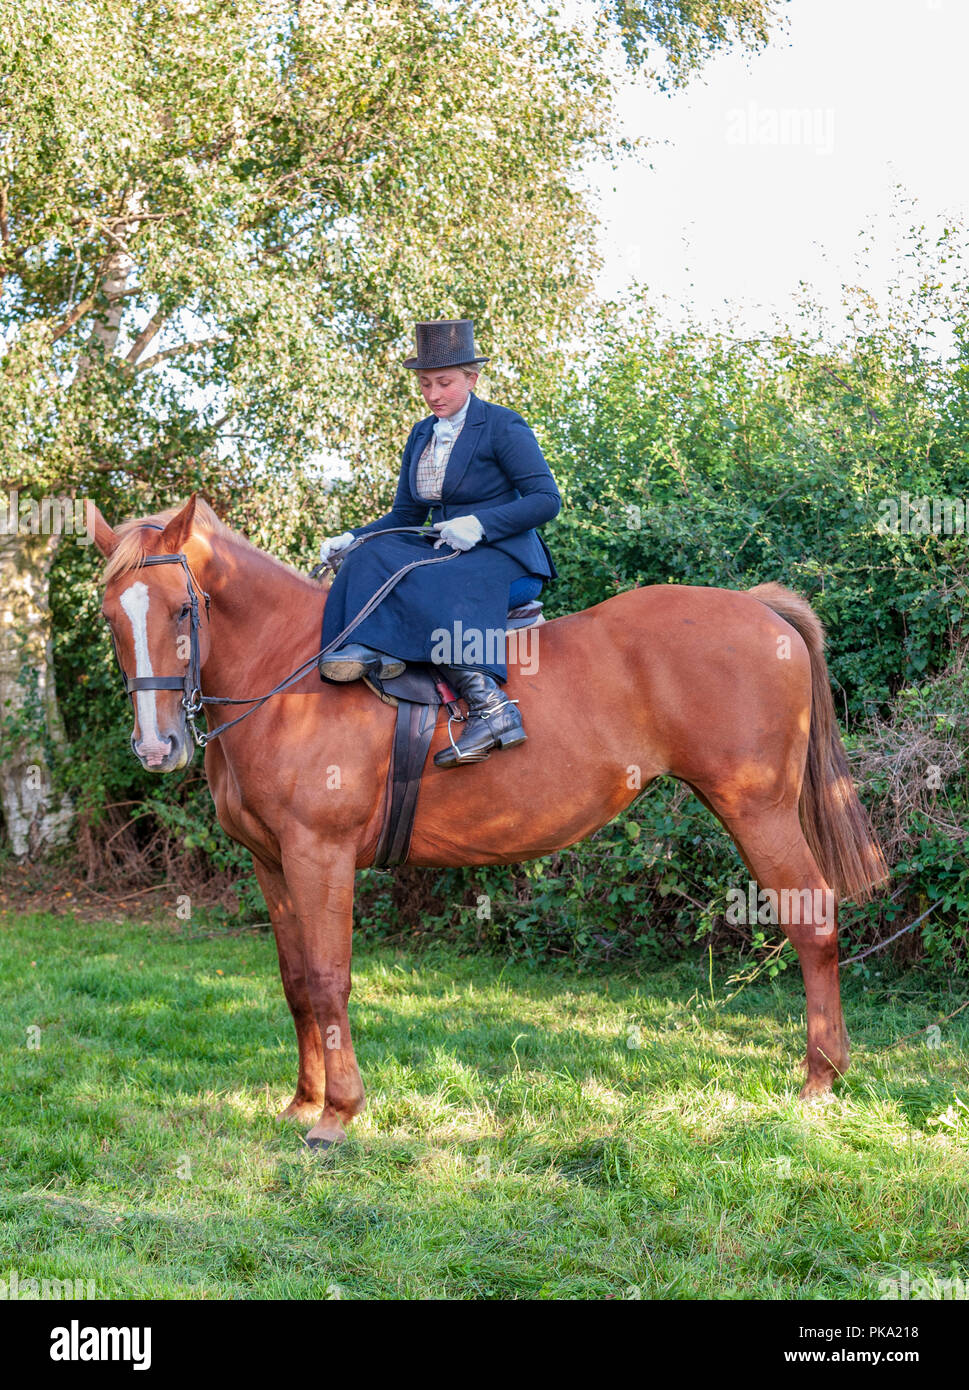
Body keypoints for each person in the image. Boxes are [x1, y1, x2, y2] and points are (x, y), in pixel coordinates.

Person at [318, 318, 560, 768]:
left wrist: (481, 524)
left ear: (472, 379)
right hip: (446, 554)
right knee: (370, 555)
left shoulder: (503, 426)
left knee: (429, 583)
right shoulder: (421, 434)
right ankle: (369, 647)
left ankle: (493, 709)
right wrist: (352, 537)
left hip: (506, 557)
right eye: (426, 384)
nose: (433, 394)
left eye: (444, 383)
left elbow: (547, 500)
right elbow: (406, 517)